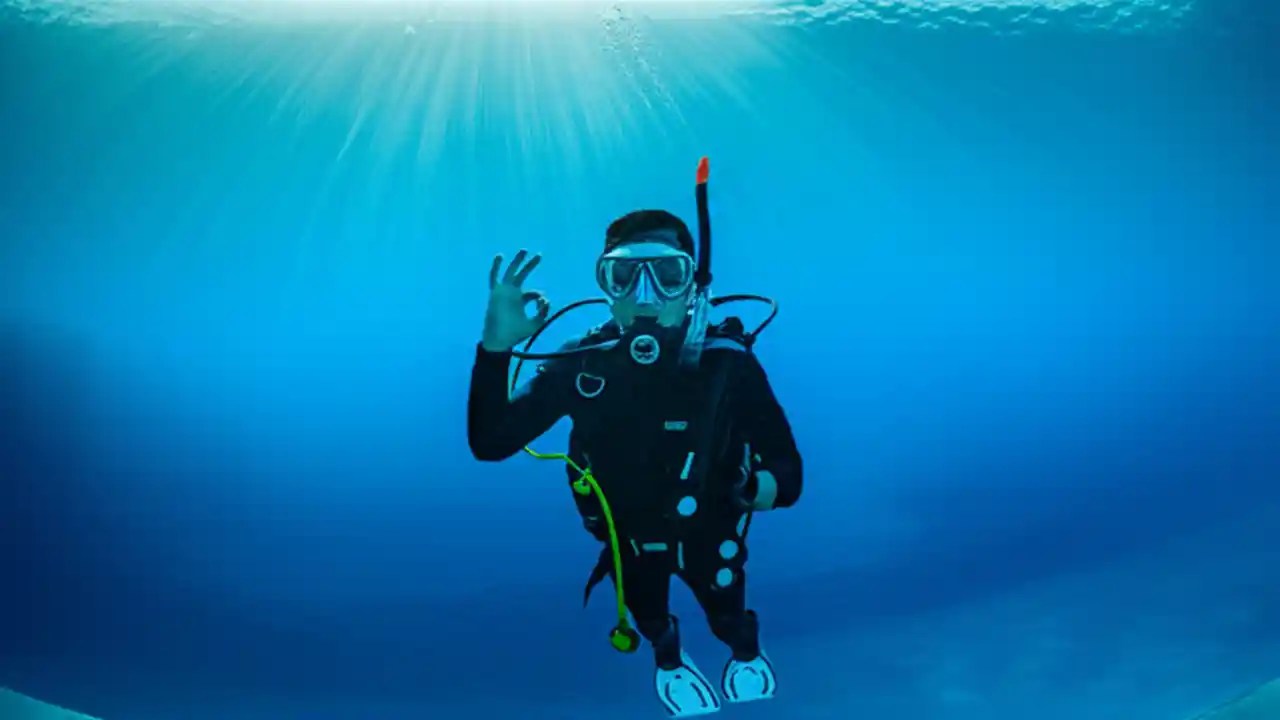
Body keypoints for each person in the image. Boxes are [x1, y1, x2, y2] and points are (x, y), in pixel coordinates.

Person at [467, 202, 803, 717]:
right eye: (623, 276)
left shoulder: (727, 365)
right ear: (606, 286)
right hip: (630, 540)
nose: (645, 296)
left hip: (711, 528)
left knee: (727, 614)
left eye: (668, 274)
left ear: (693, 286)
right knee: (649, 616)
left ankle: (744, 652)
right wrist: (495, 351)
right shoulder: (582, 364)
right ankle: (669, 661)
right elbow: (490, 443)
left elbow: (788, 470)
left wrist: (756, 488)